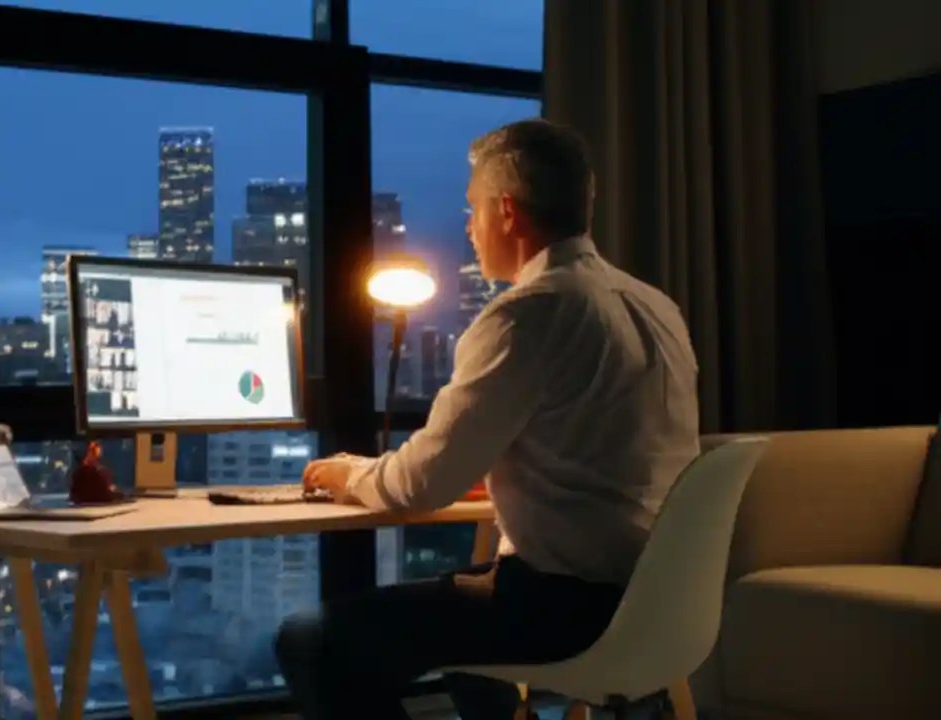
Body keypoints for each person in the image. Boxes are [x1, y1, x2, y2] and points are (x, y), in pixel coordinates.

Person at [275, 119, 700, 719]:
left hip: (571, 608)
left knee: (311, 640)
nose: (468, 226)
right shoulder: (656, 306)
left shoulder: (527, 315)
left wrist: (350, 475)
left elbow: (423, 484)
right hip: (661, 601)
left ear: (506, 211)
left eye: (472, 207)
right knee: (465, 600)